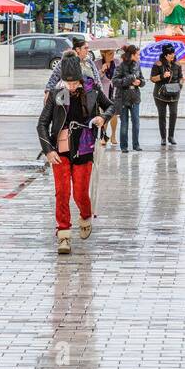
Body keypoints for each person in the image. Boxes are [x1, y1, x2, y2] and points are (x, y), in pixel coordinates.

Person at [37, 52, 114, 254]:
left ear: (80, 79)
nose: (70, 87)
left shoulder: (92, 89)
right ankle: (63, 234)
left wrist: (102, 118)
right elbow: (42, 124)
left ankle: (86, 215)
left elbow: (111, 106)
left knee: (80, 192)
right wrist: (48, 150)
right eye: (67, 83)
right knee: (62, 193)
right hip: (60, 150)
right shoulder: (56, 94)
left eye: (73, 83)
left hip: (84, 147)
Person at [113, 44, 145, 152]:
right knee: (124, 124)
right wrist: (130, 79)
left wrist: (140, 82)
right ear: (132, 55)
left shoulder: (137, 65)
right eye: (137, 55)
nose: (139, 57)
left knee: (136, 123)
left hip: (135, 97)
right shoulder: (121, 66)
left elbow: (143, 80)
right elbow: (115, 81)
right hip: (122, 97)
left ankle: (136, 144)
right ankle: (124, 146)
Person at [150, 43, 182, 147]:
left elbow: (181, 77)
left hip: (174, 93)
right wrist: (162, 76)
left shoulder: (177, 64)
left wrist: (180, 85)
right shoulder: (158, 64)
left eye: (173, 53)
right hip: (160, 94)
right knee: (162, 116)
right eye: (170, 54)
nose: (172, 55)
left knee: (173, 114)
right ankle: (163, 138)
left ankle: (171, 136)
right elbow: (152, 78)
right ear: (165, 55)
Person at [97, 48, 119, 146]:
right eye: (110, 53)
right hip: (103, 93)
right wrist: (102, 71)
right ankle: (103, 136)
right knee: (104, 115)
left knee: (114, 115)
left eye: (113, 53)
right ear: (103, 54)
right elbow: (95, 79)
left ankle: (113, 135)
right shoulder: (97, 63)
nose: (112, 55)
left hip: (114, 92)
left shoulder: (117, 62)